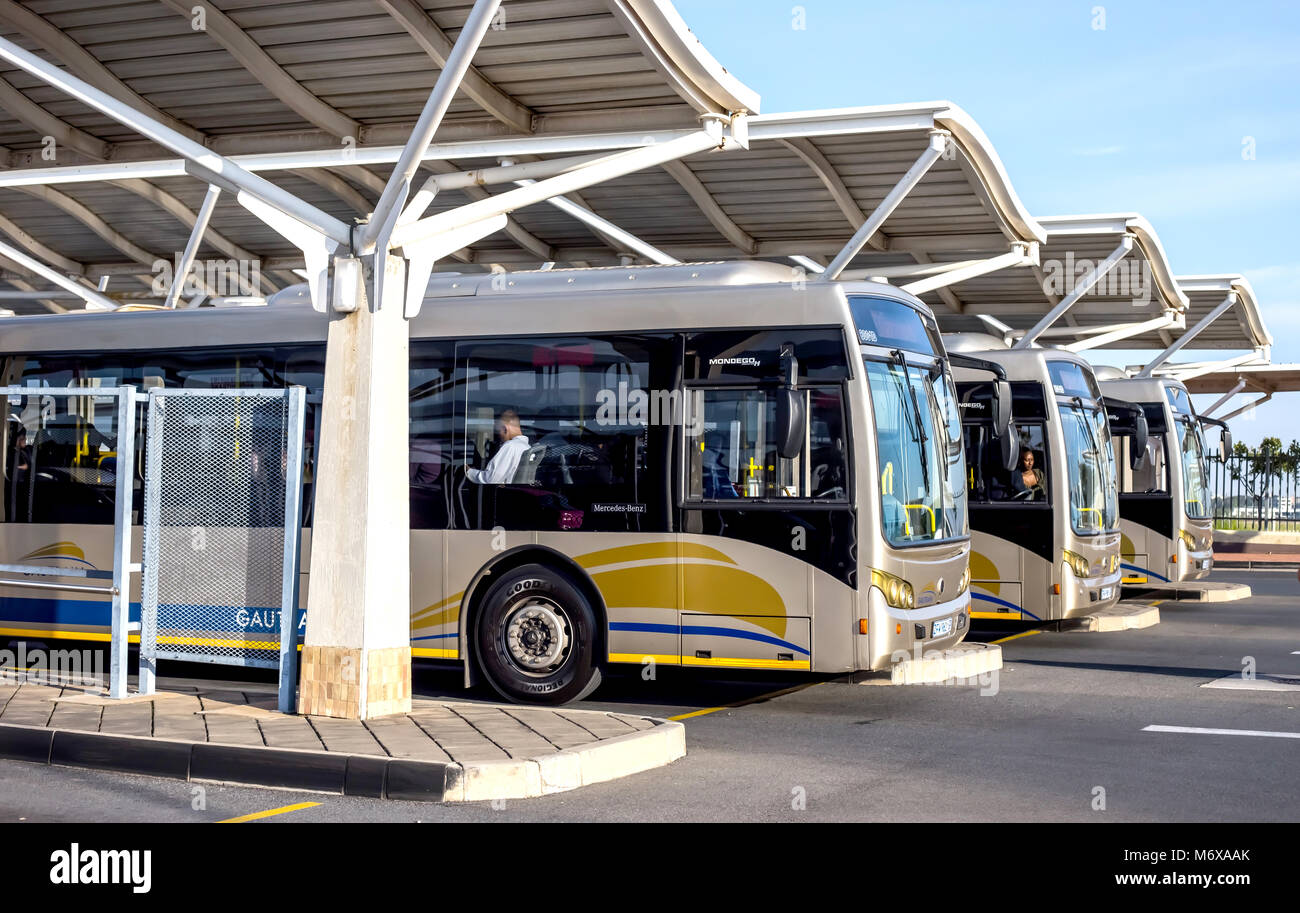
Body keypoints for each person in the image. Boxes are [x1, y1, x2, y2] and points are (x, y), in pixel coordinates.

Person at [468, 408, 530, 484]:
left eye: (498, 432)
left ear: (504, 429)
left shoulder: (510, 446)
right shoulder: (527, 447)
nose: (498, 437)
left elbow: (491, 479)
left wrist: (468, 471)